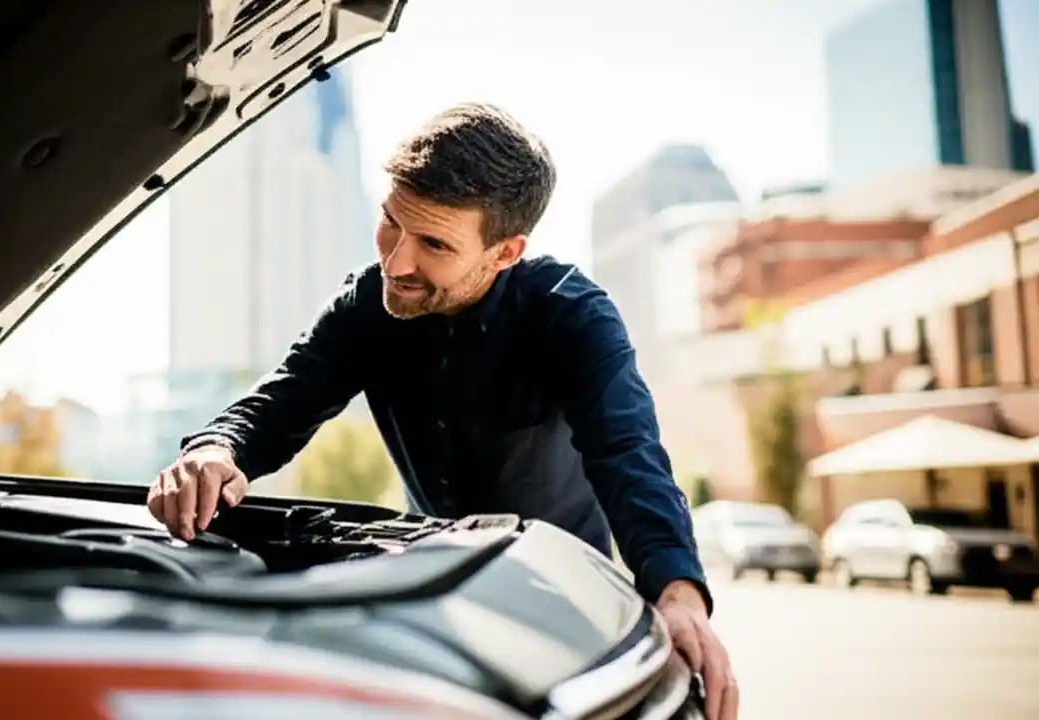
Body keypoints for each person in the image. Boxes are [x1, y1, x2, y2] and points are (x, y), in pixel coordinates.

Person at [148, 102, 738, 720]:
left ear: (504, 253)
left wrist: (678, 595)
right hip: (431, 598)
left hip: (568, 612)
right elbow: (278, 402)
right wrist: (215, 449)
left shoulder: (573, 318)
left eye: (433, 243)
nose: (397, 262)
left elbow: (630, 456)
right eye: (390, 223)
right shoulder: (365, 309)